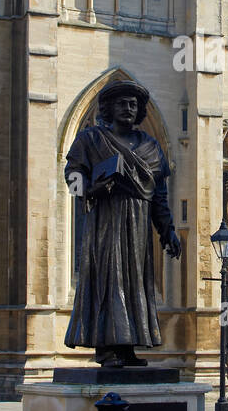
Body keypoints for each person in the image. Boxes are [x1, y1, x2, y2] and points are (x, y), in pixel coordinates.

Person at [64, 81, 181, 367]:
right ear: (109, 108)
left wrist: (167, 231)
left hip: (139, 223)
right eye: (121, 104)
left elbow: (159, 196)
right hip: (107, 220)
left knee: (134, 281)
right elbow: (73, 175)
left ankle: (127, 346)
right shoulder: (91, 140)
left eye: (133, 104)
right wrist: (92, 189)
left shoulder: (150, 147)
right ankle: (106, 349)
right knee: (109, 278)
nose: (128, 109)